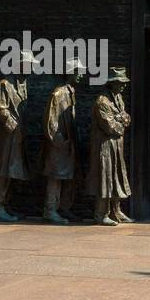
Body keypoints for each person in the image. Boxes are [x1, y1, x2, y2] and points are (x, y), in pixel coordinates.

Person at [0, 51, 35, 222]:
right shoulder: (5, 84)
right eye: (29, 64)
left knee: (13, 172)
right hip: (8, 136)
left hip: (19, 136)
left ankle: (5, 204)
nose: (31, 68)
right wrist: (13, 126)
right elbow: (1, 109)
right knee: (3, 171)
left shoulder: (23, 84)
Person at [41, 58, 86, 224]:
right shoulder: (58, 94)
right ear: (70, 73)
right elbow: (50, 122)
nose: (81, 75)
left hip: (69, 144)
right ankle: (50, 210)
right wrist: (60, 142)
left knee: (69, 177)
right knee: (56, 177)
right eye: (78, 72)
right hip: (59, 145)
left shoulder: (70, 91)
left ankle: (64, 209)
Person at [86, 66, 133, 226]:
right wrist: (121, 123)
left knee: (117, 176)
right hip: (104, 146)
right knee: (104, 179)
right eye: (120, 83)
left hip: (116, 146)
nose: (123, 86)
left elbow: (127, 118)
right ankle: (101, 214)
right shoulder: (102, 102)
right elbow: (110, 126)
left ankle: (116, 211)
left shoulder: (118, 98)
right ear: (112, 83)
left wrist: (122, 120)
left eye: (124, 83)